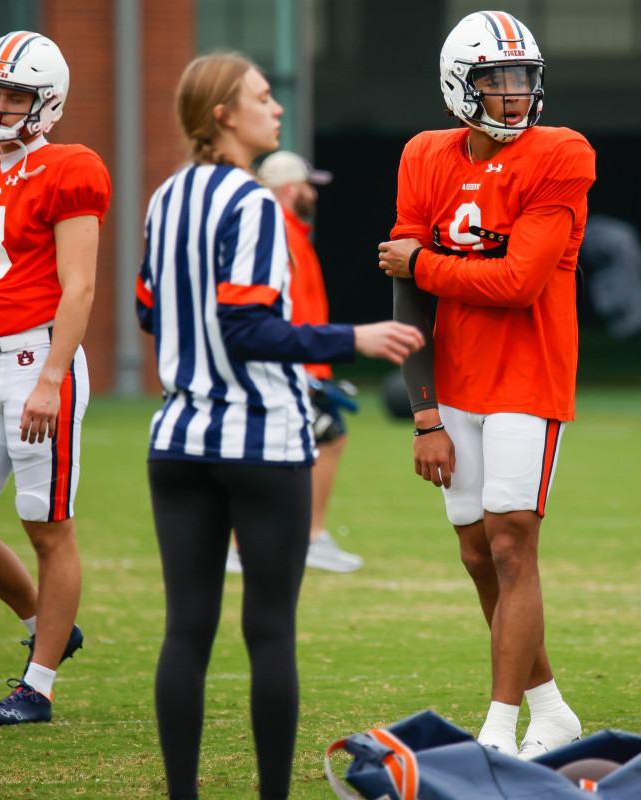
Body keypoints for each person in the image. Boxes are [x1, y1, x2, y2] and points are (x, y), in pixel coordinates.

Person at [138, 53, 421, 800]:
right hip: (260, 440)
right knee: (269, 633)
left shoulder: (166, 198)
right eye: (263, 98)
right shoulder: (256, 202)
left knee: (185, 632)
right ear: (223, 116)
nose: (278, 108)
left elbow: (147, 310)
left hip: (177, 439)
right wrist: (350, 339)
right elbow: (249, 328)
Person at [378, 10, 594, 758]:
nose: (513, 94)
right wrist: (424, 413)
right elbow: (407, 301)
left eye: (522, 78)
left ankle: (499, 728)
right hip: (456, 383)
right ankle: (550, 707)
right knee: (477, 553)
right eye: (496, 80)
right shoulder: (424, 155)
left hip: (528, 379)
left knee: (511, 545)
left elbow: (516, 281)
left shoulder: (561, 153)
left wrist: (424, 264)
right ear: (458, 88)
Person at [0, 31, 108, 725]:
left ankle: (37, 686)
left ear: (48, 104)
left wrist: (53, 377)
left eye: (14, 95)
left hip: (40, 358)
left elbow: (80, 286)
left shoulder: (72, 165)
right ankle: (49, 623)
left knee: (47, 527)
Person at [247, 150, 363, 573]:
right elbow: (282, 309)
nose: (314, 194)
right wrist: (308, 372)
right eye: (309, 185)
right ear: (290, 188)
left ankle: (264, 543)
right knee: (316, 441)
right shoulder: (278, 234)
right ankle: (306, 537)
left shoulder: (288, 232)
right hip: (292, 365)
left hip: (300, 363)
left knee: (290, 449)